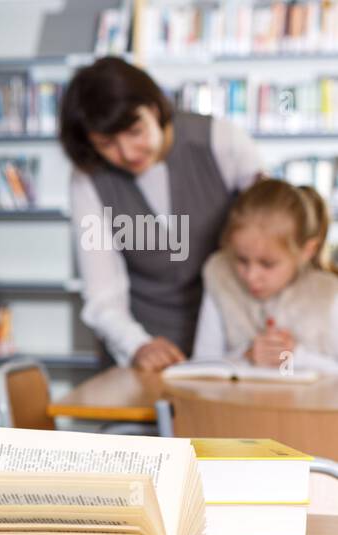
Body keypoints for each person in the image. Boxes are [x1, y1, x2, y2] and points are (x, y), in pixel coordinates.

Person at [60, 56, 262, 371]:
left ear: (154, 108)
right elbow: (101, 294)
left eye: (134, 131)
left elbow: (277, 232)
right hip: (144, 357)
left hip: (237, 348)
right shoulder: (88, 179)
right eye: (107, 143)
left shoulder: (223, 142)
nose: (126, 153)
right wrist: (137, 344)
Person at [192, 178, 338, 373]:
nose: (251, 276)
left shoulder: (327, 294)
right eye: (242, 260)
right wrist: (247, 356)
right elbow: (200, 367)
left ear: (307, 251)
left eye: (267, 264)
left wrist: (296, 356)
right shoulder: (220, 278)